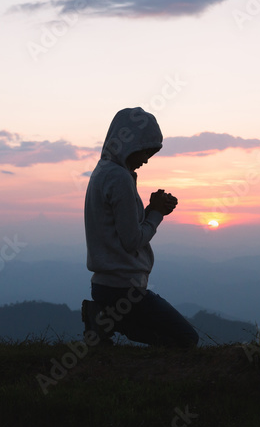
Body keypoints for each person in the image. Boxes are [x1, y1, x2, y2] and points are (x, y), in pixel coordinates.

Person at [81, 106, 199, 349]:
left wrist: (151, 209)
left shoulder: (102, 171)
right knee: (186, 339)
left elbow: (121, 229)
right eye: (145, 151)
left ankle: (102, 318)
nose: (146, 159)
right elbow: (132, 241)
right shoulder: (119, 178)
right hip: (123, 288)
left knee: (173, 336)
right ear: (129, 144)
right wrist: (156, 214)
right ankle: (104, 320)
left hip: (105, 286)